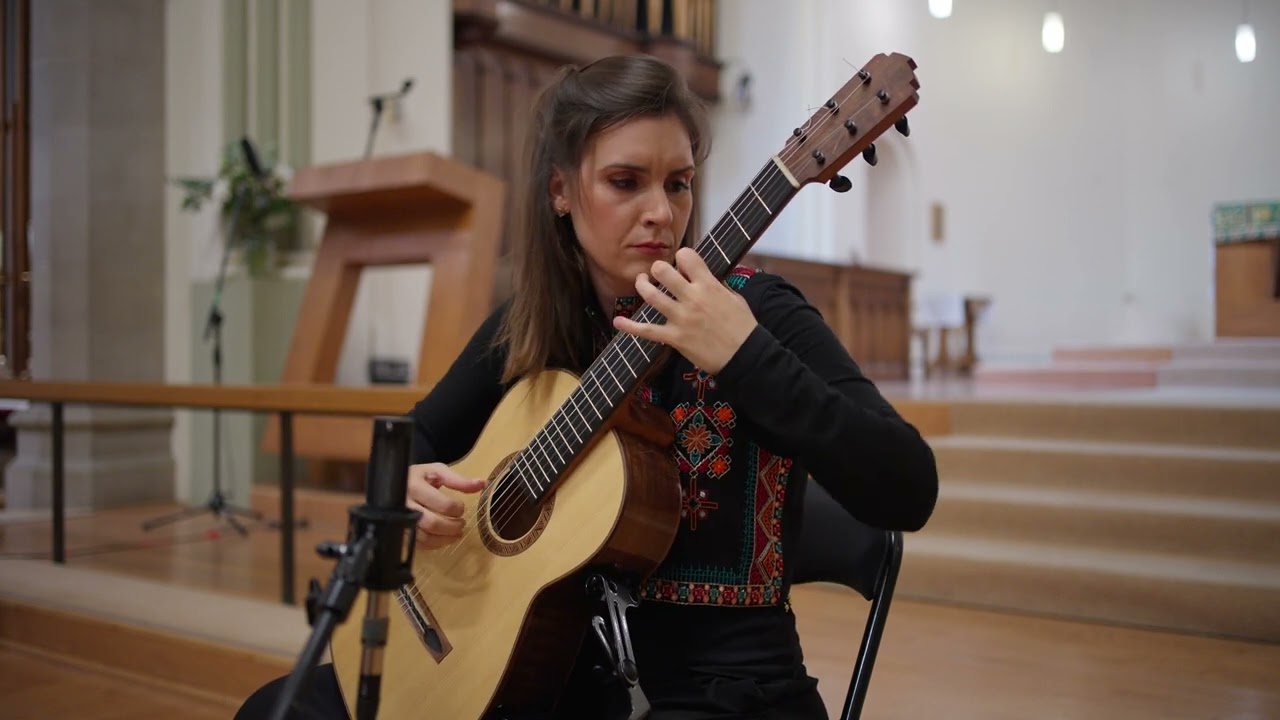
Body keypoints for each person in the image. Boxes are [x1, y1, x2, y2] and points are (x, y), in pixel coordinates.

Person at [236, 53, 937, 720]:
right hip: (547, 671)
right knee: (276, 708)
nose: (660, 211)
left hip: (726, 686)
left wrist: (744, 354)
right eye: (625, 182)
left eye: (678, 182)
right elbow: (413, 439)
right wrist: (407, 489)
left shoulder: (760, 311)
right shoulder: (535, 320)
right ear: (562, 192)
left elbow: (907, 486)